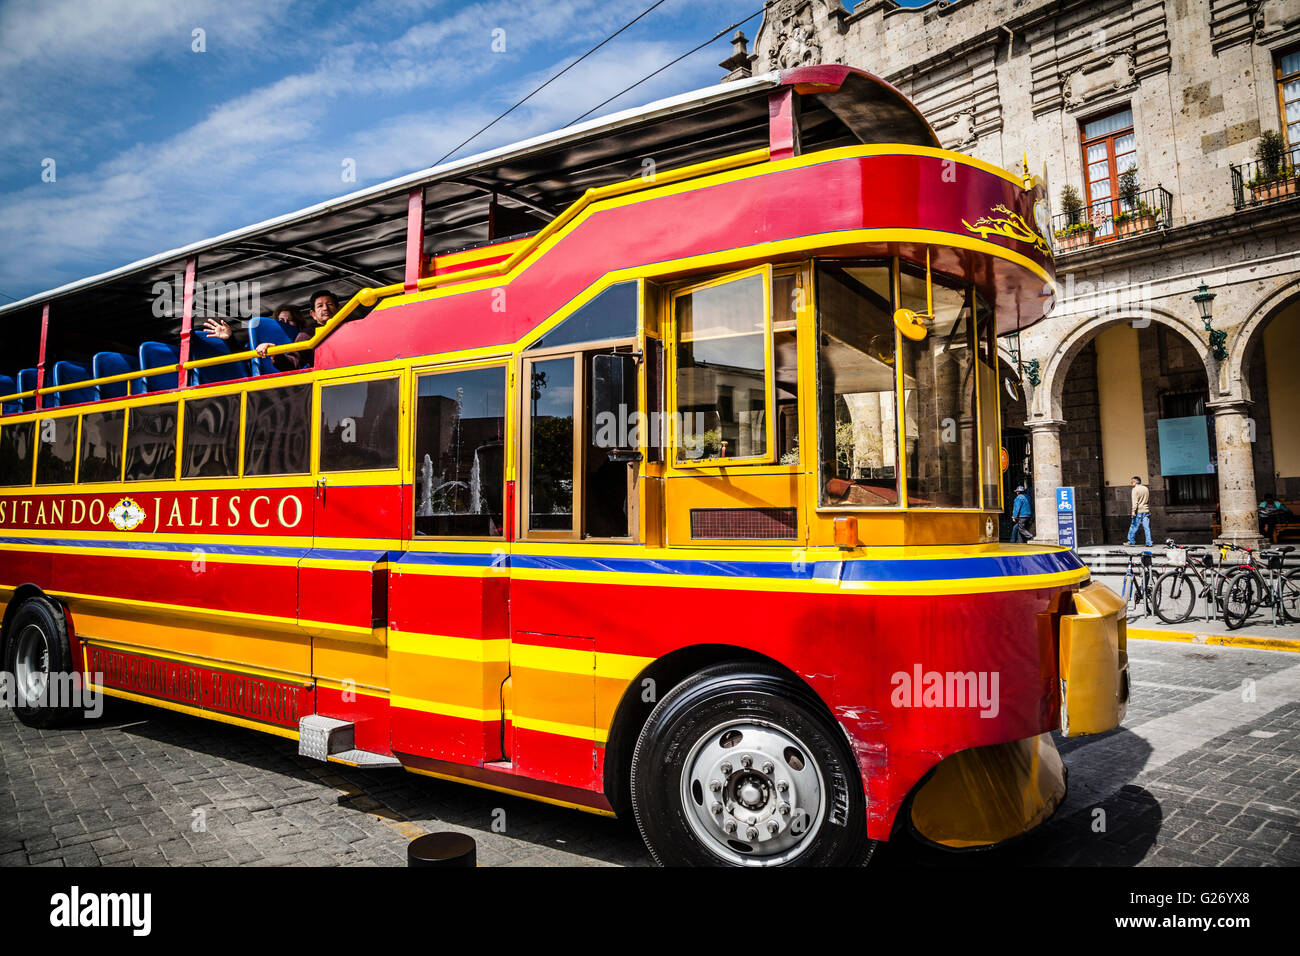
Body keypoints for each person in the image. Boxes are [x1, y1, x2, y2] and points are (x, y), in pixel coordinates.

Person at [202, 290, 338, 371]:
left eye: (290, 321)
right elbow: (248, 356)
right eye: (280, 322)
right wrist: (230, 338)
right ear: (313, 314)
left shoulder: (304, 335)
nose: (284, 325)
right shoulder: (305, 335)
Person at [1127, 475, 1152, 547]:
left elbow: (1135, 502)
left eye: (1132, 482)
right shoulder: (1145, 488)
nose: (1131, 483)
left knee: (1134, 526)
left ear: (1135, 482)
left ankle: (1131, 541)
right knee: (1146, 527)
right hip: (1146, 510)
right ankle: (1149, 542)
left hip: (1138, 511)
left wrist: (1133, 511)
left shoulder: (1135, 489)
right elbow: (1147, 500)